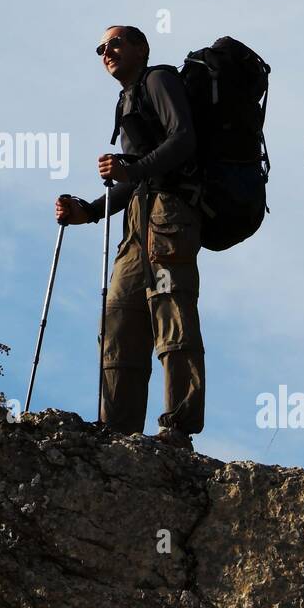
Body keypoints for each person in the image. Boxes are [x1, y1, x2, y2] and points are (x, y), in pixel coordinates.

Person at [55, 25, 205, 449]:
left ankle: (178, 425)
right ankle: (118, 431)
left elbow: (183, 139)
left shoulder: (158, 79)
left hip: (169, 213)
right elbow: (131, 178)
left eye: (116, 42)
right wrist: (87, 211)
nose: (107, 51)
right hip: (137, 220)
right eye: (101, 47)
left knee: (171, 309)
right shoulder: (126, 100)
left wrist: (131, 169)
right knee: (119, 317)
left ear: (142, 47)